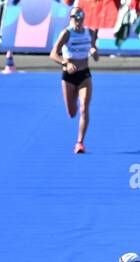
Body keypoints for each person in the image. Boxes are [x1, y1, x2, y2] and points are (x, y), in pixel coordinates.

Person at [50, 5, 97, 154]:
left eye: (80, 17)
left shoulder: (90, 33)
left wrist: (95, 51)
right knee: (72, 112)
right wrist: (66, 62)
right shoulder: (66, 33)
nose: (78, 20)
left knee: (84, 107)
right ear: (70, 19)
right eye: (75, 17)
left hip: (84, 75)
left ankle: (80, 143)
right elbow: (53, 54)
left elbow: (94, 50)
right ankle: (74, 95)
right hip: (69, 76)